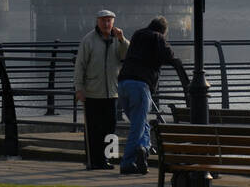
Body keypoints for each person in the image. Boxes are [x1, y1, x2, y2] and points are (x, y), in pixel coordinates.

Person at [117, 16, 177, 175]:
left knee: (141, 122)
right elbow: (169, 55)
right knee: (137, 127)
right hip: (140, 85)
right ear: (163, 30)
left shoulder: (137, 34)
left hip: (123, 83)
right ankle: (127, 162)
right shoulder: (158, 37)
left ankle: (143, 150)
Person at [74, 9, 129, 170]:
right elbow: (80, 66)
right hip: (92, 92)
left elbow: (126, 56)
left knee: (110, 129)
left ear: (113, 22)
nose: (106, 24)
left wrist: (122, 39)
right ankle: (92, 160)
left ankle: (108, 159)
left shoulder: (118, 40)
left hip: (111, 92)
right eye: (103, 20)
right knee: (92, 129)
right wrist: (79, 88)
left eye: (109, 21)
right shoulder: (88, 40)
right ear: (98, 21)